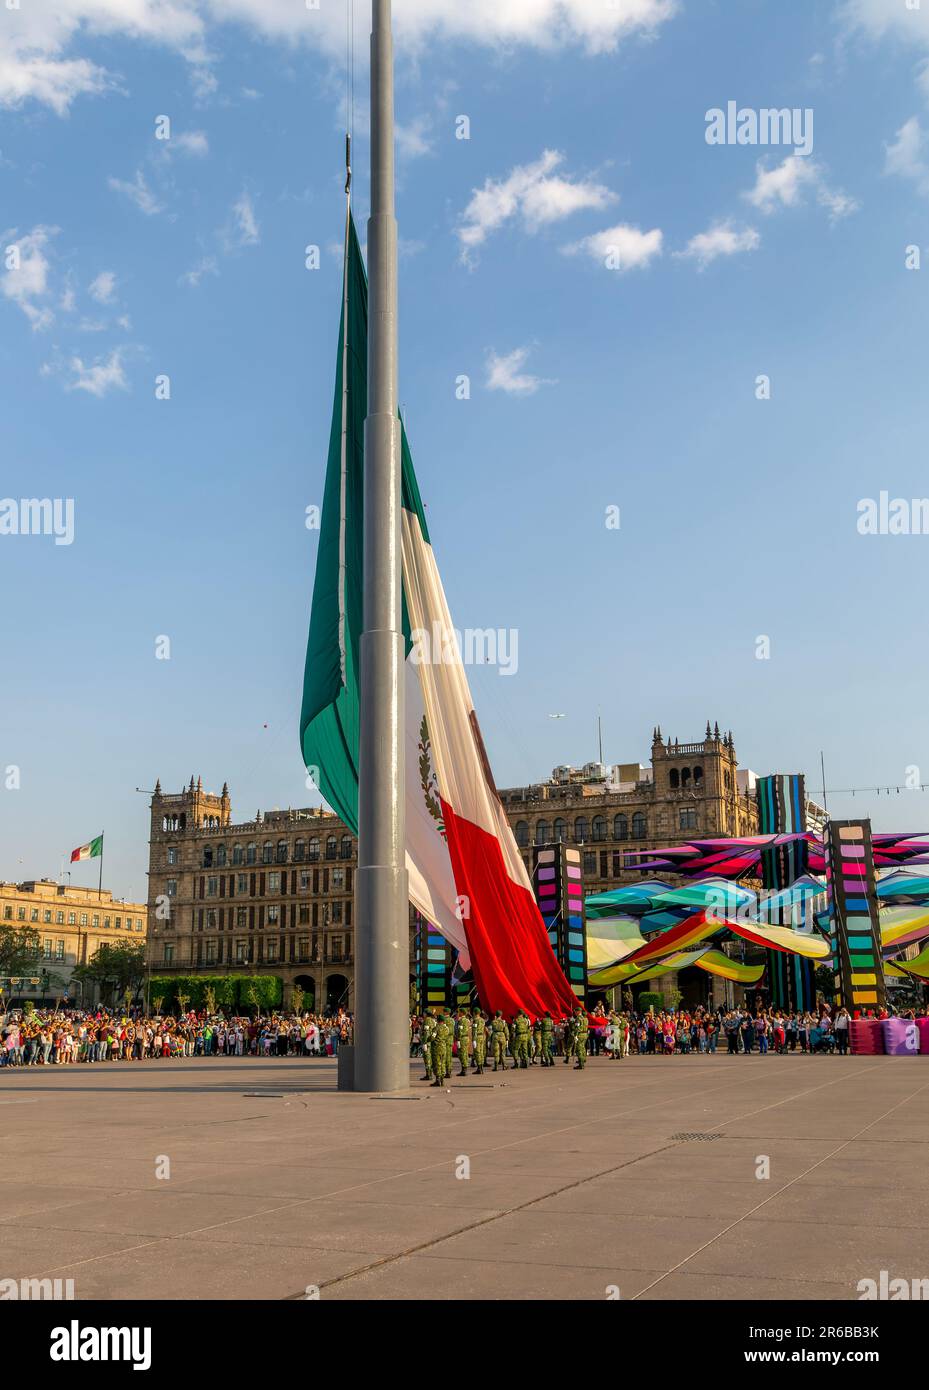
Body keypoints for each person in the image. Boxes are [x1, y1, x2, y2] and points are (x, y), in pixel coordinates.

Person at [471, 1008, 487, 1075]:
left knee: (477, 1052)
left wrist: (474, 1039)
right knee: (481, 1052)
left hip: (477, 1037)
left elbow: (474, 1030)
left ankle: (479, 1068)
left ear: (474, 1013)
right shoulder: (483, 1020)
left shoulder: (475, 1020)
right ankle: (481, 1067)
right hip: (482, 1036)